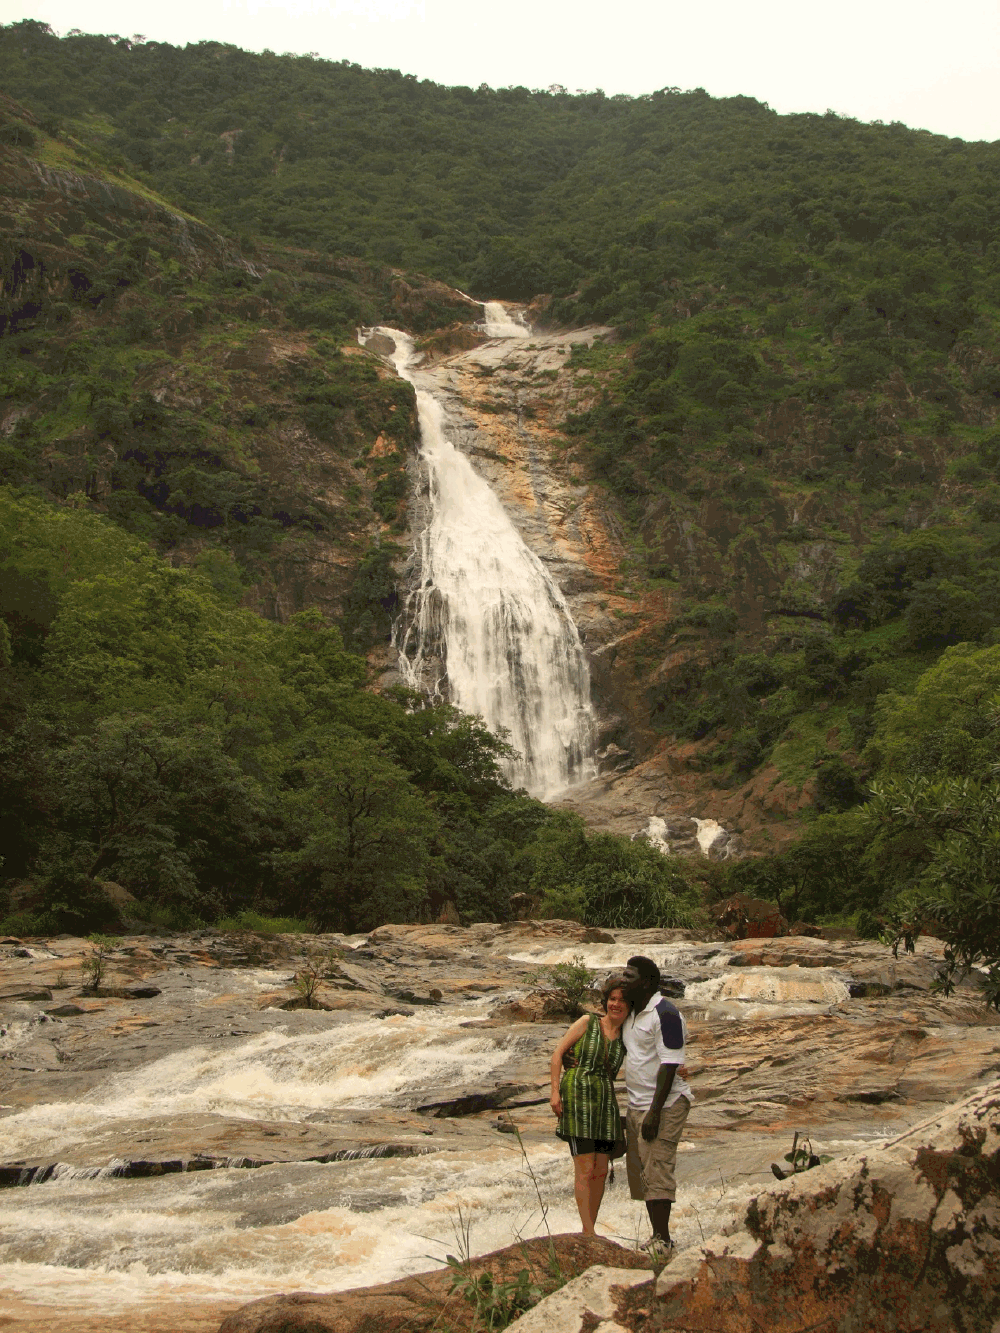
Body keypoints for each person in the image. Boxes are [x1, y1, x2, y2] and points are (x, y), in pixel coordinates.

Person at [621, 954, 692, 1259]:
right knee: (644, 1173)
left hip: (664, 1105)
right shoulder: (632, 1013)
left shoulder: (666, 1013)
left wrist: (654, 1112)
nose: (624, 980)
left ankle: (663, 1240)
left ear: (647, 982)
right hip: (637, 1104)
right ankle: (656, 1235)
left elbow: (671, 1064)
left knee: (658, 1167)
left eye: (630, 976)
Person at [549, 974, 630, 1236]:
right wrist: (554, 1092)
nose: (615, 1004)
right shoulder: (587, 1022)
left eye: (622, 1001)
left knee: (602, 1169)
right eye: (612, 999)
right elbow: (558, 1053)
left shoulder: (627, 1035)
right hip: (577, 1096)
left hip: (606, 1102)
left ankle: (590, 1228)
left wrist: (680, 1068)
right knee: (584, 1166)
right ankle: (588, 1231)